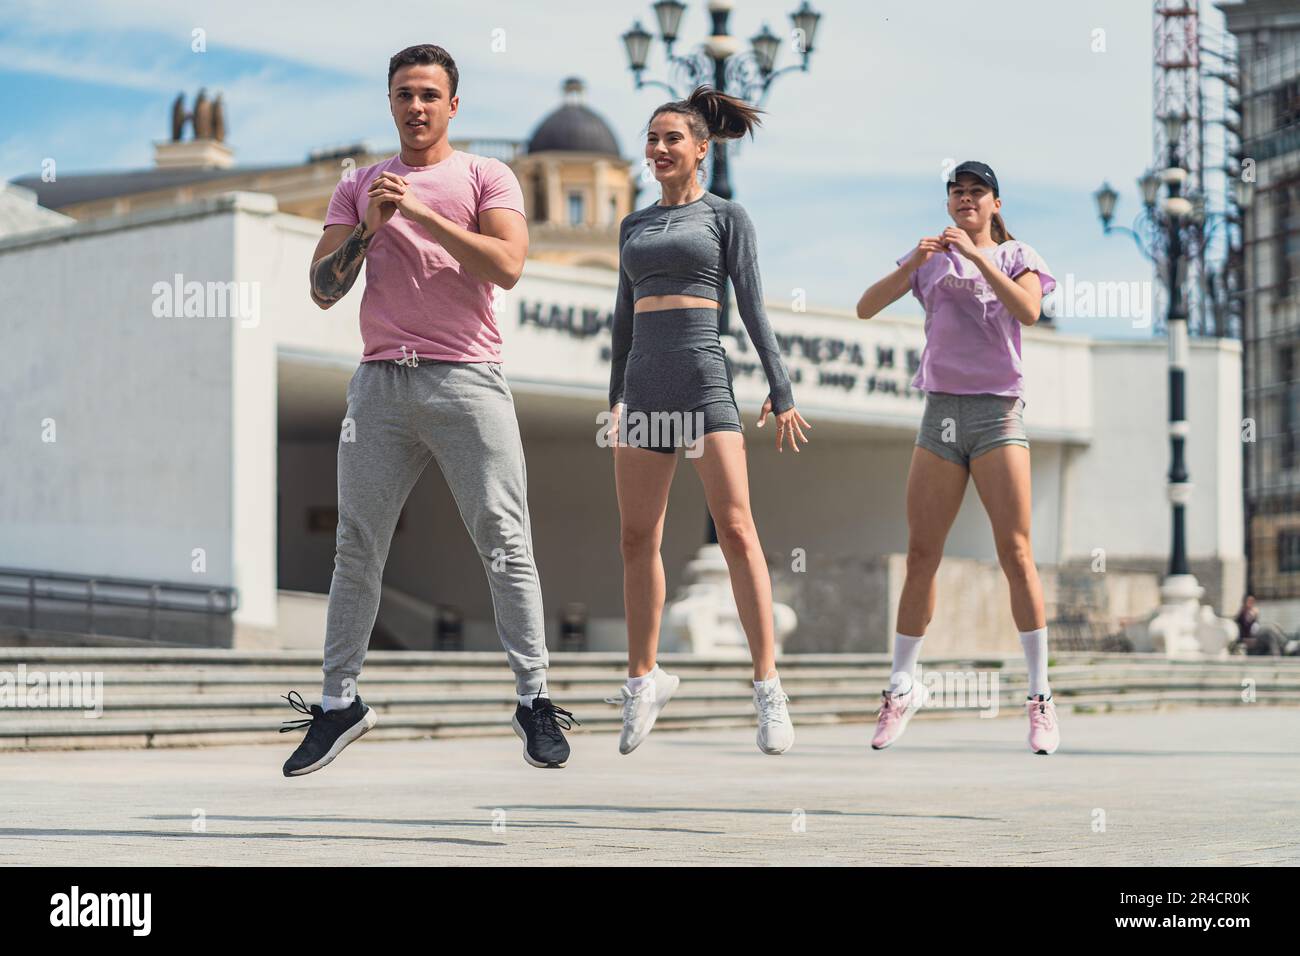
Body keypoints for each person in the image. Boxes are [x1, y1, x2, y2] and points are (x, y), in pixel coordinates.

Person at [282, 44, 575, 776]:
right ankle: (338, 703)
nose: (417, 106)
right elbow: (322, 289)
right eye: (404, 94)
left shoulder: (485, 175)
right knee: (356, 545)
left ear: (452, 104)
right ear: (390, 103)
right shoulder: (357, 187)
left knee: (503, 536)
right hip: (380, 386)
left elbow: (507, 265)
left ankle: (534, 698)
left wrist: (421, 215)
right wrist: (370, 227)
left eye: (430, 94)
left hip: (467, 380)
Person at [605, 86, 812, 756]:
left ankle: (768, 686)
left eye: (673, 139)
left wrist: (781, 389)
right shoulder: (632, 226)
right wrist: (616, 400)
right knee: (639, 539)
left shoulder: (727, 218)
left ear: (701, 148)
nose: (660, 149)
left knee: (739, 531)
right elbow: (620, 320)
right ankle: (643, 680)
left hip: (702, 383)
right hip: (644, 387)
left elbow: (753, 308)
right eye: (653, 139)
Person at [854, 161, 1060, 755]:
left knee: (1015, 551)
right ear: (949, 203)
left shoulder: (1019, 253)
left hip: (996, 412)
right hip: (940, 413)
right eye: (957, 192)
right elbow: (867, 307)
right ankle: (901, 687)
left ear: (995, 203)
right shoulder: (931, 257)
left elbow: (1028, 312)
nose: (966, 199)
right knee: (921, 553)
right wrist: (917, 265)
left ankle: (1040, 697)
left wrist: (976, 257)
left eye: (977, 192)